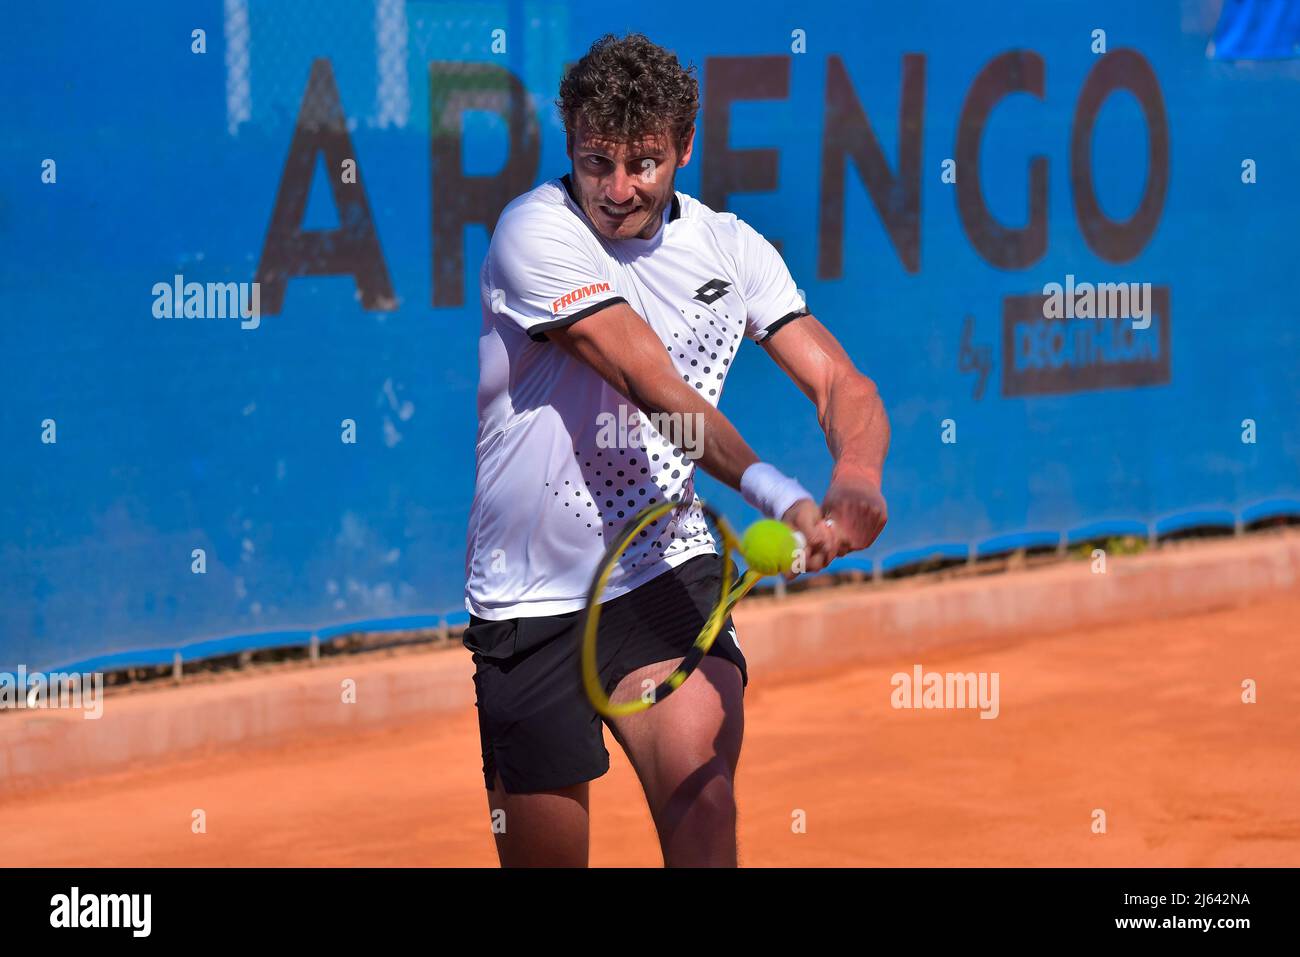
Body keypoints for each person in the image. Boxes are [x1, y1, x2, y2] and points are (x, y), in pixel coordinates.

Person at [463, 33, 889, 866]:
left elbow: (841, 383)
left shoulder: (732, 249)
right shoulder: (534, 232)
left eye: (645, 163)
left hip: (663, 566)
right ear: (569, 142)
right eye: (597, 161)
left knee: (705, 805)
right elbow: (648, 379)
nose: (618, 190)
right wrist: (780, 495)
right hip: (528, 601)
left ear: (685, 149)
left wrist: (856, 479)